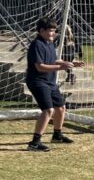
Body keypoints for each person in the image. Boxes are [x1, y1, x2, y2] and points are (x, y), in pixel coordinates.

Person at [25, 17, 84, 152]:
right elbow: (40, 67)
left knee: (61, 108)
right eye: (51, 31)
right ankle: (34, 143)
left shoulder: (49, 43)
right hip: (37, 82)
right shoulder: (36, 45)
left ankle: (57, 135)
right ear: (41, 31)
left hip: (50, 82)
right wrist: (61, 67)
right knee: (48, 110)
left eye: (54, 31)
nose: (53, 33)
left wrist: (71, 64)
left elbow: (54, 60)